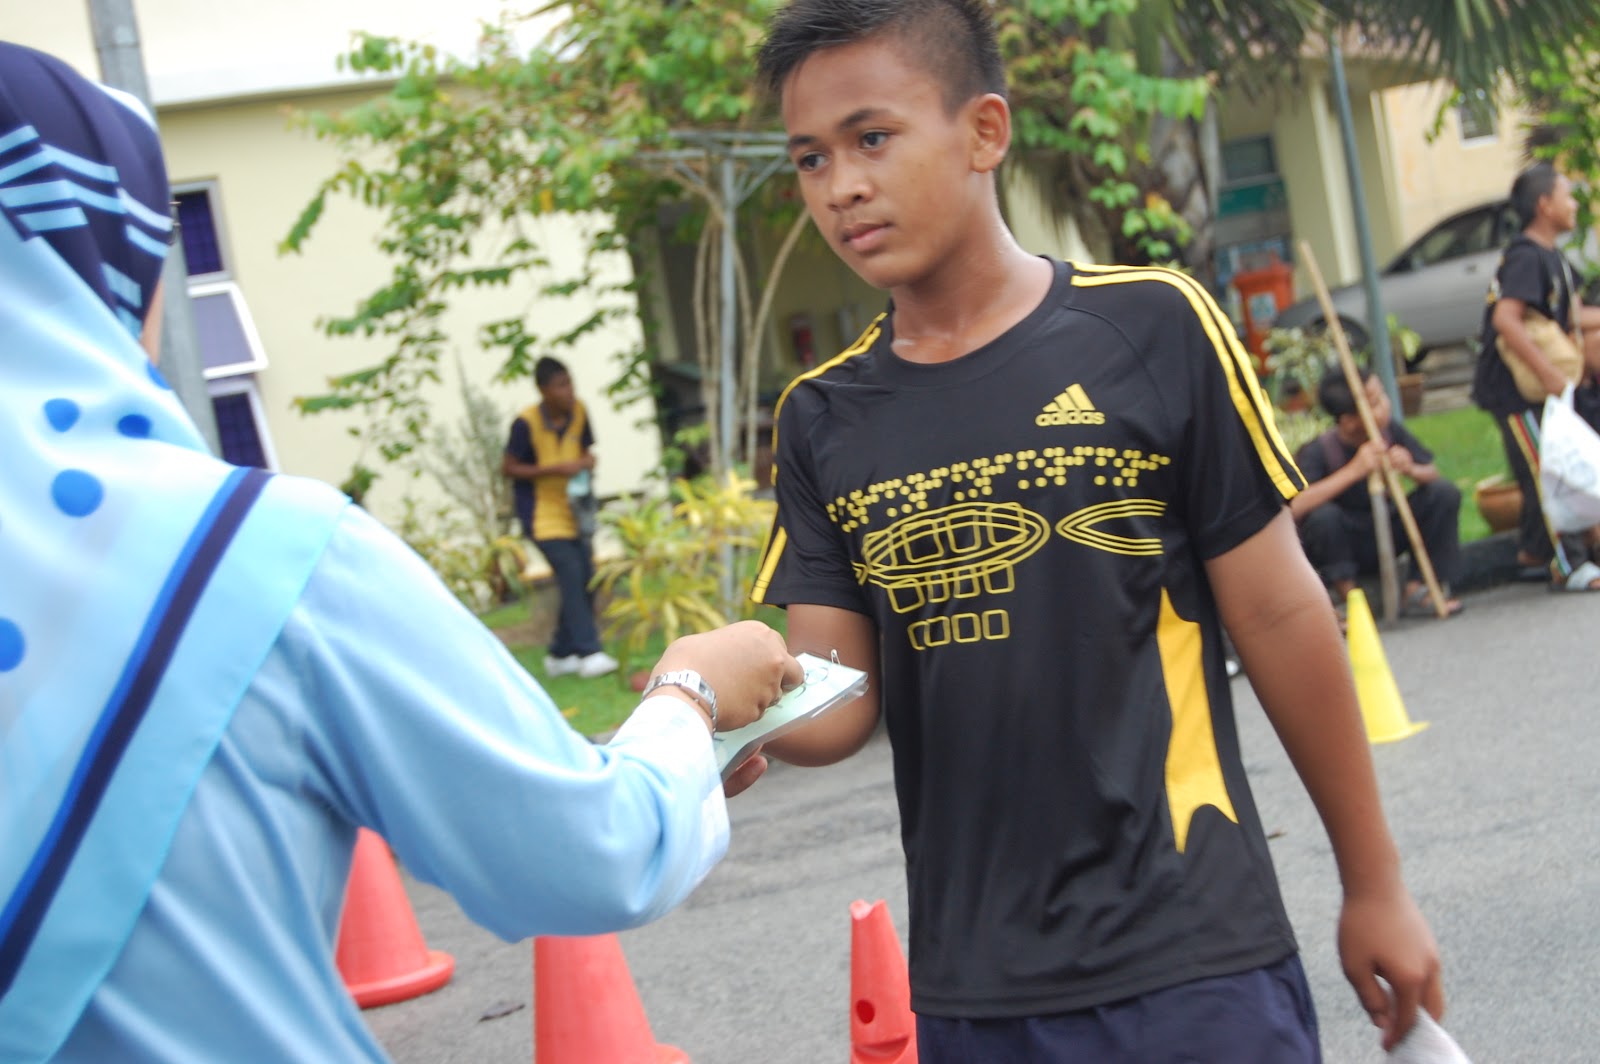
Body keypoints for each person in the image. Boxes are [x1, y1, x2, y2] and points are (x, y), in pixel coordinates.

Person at [0, 42, 799, 1063]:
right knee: (572, 605)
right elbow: (592, 850)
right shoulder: (252, 556)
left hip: (576, 514)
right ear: (98, 254)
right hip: (549, 526)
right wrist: (688, 698)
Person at [748, 1, 1443, 1059]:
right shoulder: (820, 416)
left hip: (1193, 957)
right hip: (975, 992)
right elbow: (833, 702)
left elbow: (1278, 610)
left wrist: (1373, 881)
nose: (840, 185)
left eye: (871, 137)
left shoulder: (1151, 325)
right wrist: (716, 716)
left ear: (984, 130)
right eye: (808, 159)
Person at [1472, 161, 1600, 592]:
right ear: (1545, 205)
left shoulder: (1552, 258)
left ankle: (1533, 551)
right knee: (1547, 469)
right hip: (1514, 388)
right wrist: (1549, 373)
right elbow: (1507, 320)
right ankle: (1569, 565)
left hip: (1542, 388)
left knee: (1545, 466)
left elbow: (1570, 314)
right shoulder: (1526, 258)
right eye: (1567, 196)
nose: (1574, 205)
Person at [1291, 369, 1464, 619]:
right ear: (1348, 420)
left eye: (1382, 396)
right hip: (1346, 540)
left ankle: (1419, 588)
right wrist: (1354, 470)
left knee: (1442, 494)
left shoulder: (1390, 433)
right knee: (1323, 518)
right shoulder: (1320, 450)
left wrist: (1410, 468)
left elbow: (1432, 472)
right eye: (1374, 402)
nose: (1385, 404)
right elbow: (1296, 505)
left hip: (1388, 525)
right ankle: (1350, 600)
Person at [502, 355, 617, 677]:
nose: (568, 391)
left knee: (586, 577)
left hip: (575, 510)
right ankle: (589, 652)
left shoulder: (579, 412)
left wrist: (586, 462)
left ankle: (560, 653)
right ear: (543, 390)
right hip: (541, 514)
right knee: (569, 573)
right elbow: (508, 467)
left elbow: (585, 451)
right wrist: (555, 469)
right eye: (560, 386)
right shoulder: (525, 423)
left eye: (570, 383)